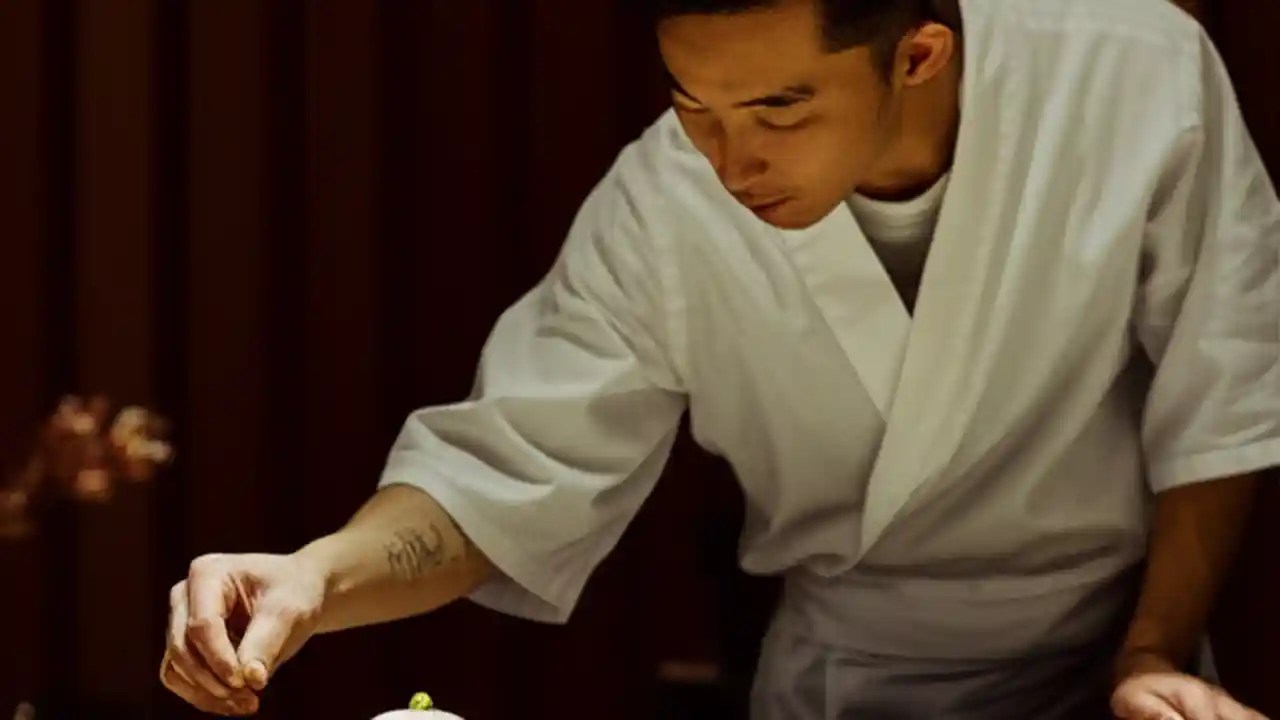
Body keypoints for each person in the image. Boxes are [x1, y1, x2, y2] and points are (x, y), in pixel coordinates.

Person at [160, 0, 1280, 717]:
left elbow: (1220, 392)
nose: (731, 163)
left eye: (778, 111)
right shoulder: (667, 197)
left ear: (917, 55)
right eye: (694, 106)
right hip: (846, 679)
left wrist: (1152, 653)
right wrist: (317, 576)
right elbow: (504, 472)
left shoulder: (1131, 74)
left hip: (1120, 663)